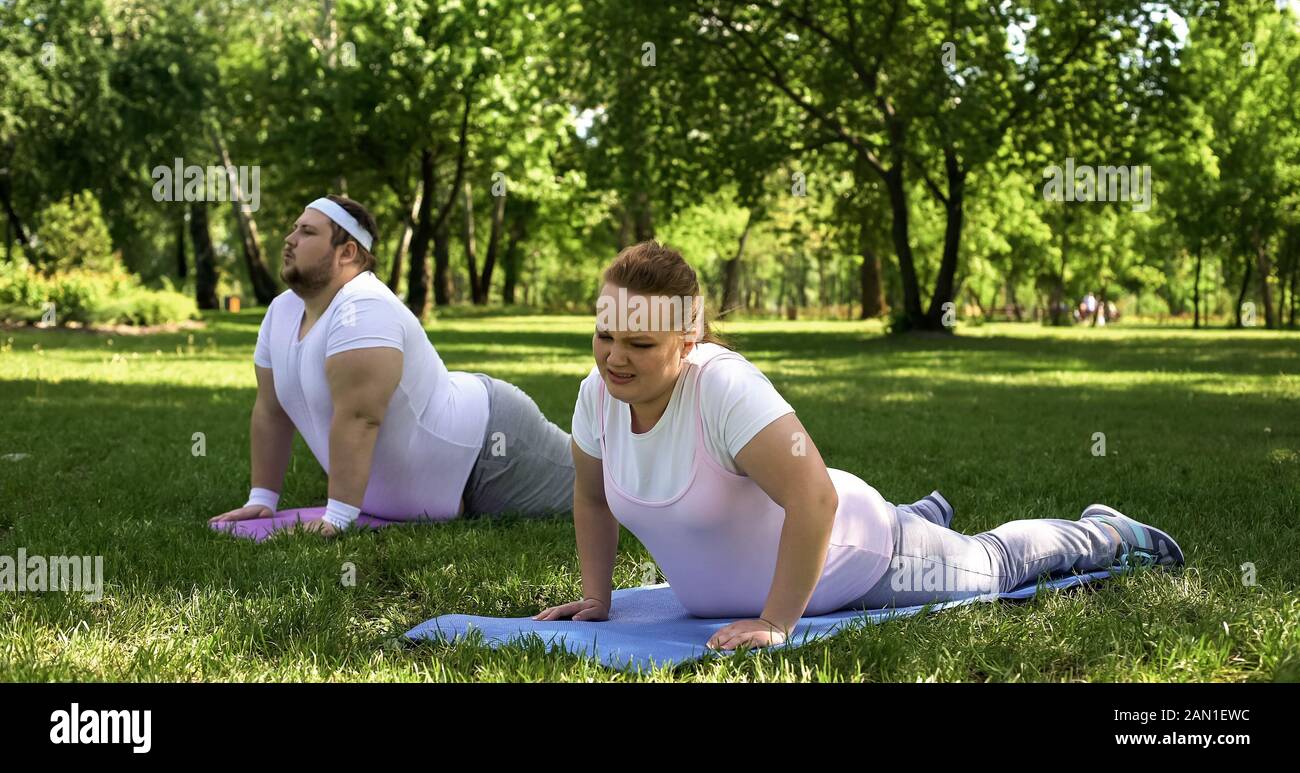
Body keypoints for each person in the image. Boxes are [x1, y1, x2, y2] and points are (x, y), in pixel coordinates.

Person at [534, 241, 1184, 650]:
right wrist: (597, 598)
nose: (615, 357)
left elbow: (813, 499)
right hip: (796, 541)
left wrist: (778, 622)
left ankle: (1105, 532)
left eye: (640, 344)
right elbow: (592, 499)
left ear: (687, 341)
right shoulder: (599, 393)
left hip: (854, 555)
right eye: (606, 334)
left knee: (992, 566)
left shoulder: (724, 388)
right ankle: (917, 515)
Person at [209, 195, 573, 536]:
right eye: (295, 228)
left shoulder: (363, 307)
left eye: (307, 232)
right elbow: (270, 410)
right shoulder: (281, 312)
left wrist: (337, 518)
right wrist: (262, 499)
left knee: (607, 486)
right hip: (451, 470)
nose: (290, 239)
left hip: (491, 447)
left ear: (347, 252)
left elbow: (360, 417)